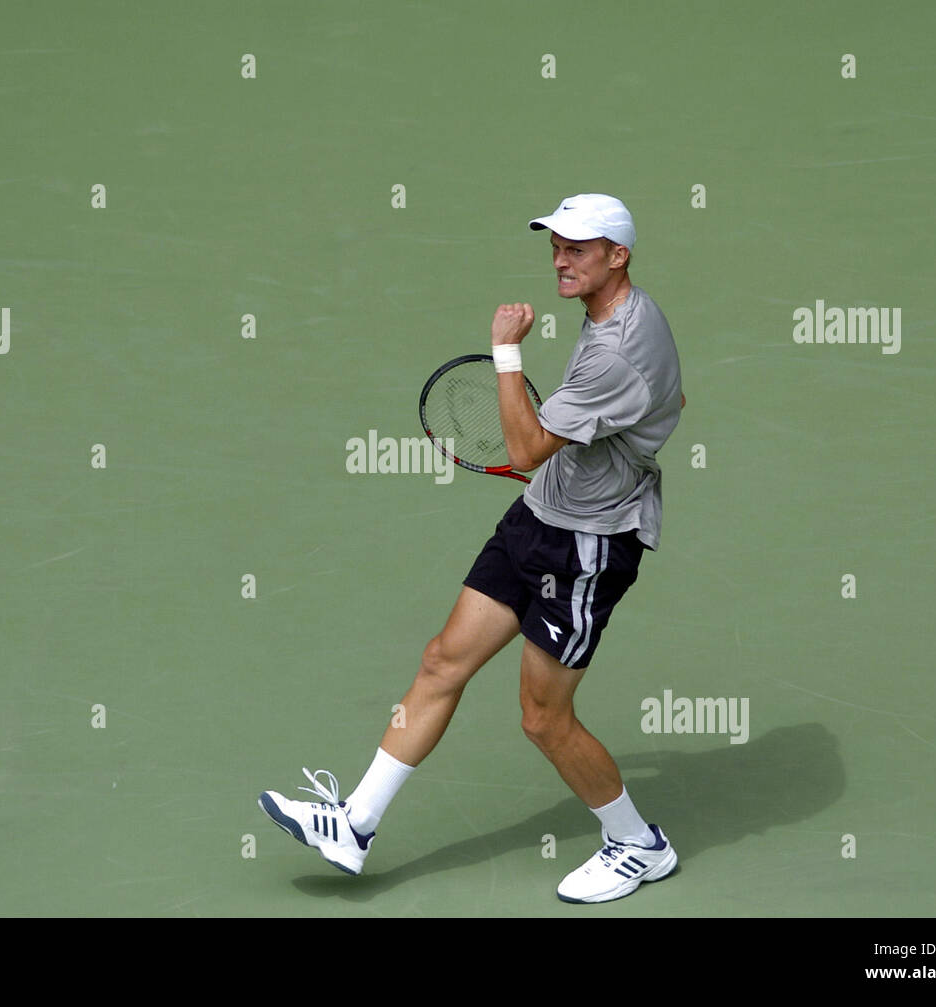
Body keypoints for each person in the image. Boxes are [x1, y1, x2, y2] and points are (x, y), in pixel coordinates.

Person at [258, 193, 684, 903]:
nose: (560, 257)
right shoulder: (622, 313)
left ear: (619, 254)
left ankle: (639, 844)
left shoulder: (619, 351)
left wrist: (507, 348)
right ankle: (355, 825)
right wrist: (604, 455)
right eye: (555, 244)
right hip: (541, 514)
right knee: (441, 659)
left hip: (587, 548)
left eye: (578, 246)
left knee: (543, 718)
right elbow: (660, 409)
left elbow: (522, 441)